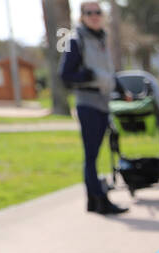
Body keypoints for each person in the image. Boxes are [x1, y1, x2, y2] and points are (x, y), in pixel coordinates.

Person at [59, 2, 126, 215]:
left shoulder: (102, 38)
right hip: (88, 103)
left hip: (103, 103)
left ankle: (92, 200)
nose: (94, 16)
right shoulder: (74, 40)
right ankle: (99, 199)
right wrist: (85, 76)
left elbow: (108, 71)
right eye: (89, 13)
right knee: (91, 156)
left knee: (96, 153)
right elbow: (65, 75)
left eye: (98, 12)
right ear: (82, 16)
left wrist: (122, 89)